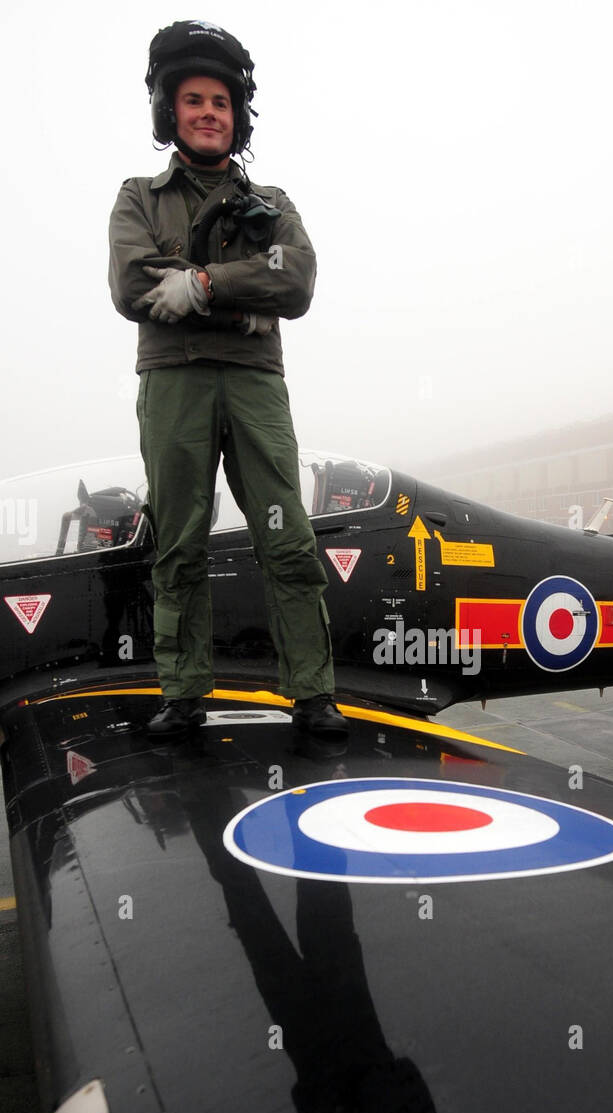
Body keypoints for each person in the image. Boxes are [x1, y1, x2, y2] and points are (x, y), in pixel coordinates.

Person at [108, 19, 346, 738]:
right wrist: (247, 299)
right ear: (170, 113)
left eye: (220, 101)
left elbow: (297, 279)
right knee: (179, 540)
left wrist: (202, 286)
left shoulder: (272, 203)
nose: (209, 112)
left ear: (237, 116)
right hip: (175, 385)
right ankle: (183, 693)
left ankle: (311, 691)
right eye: (193, 101)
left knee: (286, 534)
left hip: (252, 386)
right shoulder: (138, 198)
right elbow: (131, 283)